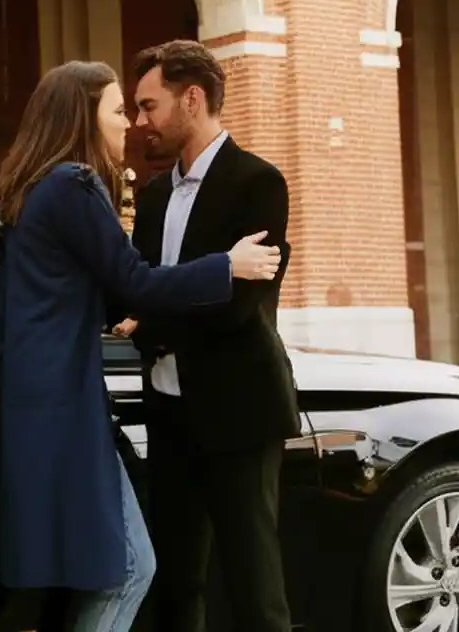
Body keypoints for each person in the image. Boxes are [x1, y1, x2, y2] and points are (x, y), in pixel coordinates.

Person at [0, 59, 283, 632]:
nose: (130, 126)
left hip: (44, 403)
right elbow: (134, 279)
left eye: (140, 108)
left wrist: (5, 398)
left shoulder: (33, 189)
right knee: (132, 569)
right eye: (119, 110)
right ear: (82, 117)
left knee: (99, 574)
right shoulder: (74, 183)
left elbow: (21, 311)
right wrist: (226, 266)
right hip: (66, 410)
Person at [118, 40, 302, 632]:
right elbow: (135, 289)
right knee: (176, 581)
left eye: (150, 106)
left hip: (241, 411)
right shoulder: (150, 195)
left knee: (253, 582)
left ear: (191, 99)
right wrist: (160, 300)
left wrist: (151, 311)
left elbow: (238, 307)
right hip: (167, 411)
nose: (141, 121)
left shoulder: (258, 185)